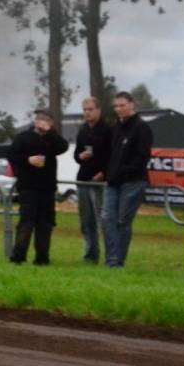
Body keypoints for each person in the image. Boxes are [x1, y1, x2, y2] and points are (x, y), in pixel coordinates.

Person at [6, 109, 68, 265]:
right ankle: (18, 257)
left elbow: (63, 147)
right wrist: (28, 160)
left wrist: (49, 132)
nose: (41, 121)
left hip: (47, 188)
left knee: (46, 224)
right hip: (28, 187)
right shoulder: (23, 138)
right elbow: (12, 156)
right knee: (26, 222)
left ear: (51, 123)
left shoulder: (52, 140)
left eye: (45, 120)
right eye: (38, 118)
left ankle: (42, 258)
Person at [102, 91, 153, 269]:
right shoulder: (116, 128)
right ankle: (111, 259)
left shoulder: (141, 128)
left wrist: (122, 171)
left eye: (122, 105)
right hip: (112, 181)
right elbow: (110, 154)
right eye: (116, 106)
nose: (119, 109)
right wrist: (108, 172)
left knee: (123, 220)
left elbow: (142, 157)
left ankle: (117, 261)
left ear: (132, 105)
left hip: (133, 181)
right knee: (107, 218)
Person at [72, 95, 113, 264]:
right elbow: (76, 155)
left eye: (90, 109)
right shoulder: (82, 131)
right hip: (83, 179)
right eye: (84, 110)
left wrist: (104, 173)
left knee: (104, 220)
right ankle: (91, 255)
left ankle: (111, 257)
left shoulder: (108, 130)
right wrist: (80, 156)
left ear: (99, 110)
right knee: (86, 221)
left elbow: (113, 156)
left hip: (100, 181)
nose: (87, 113)